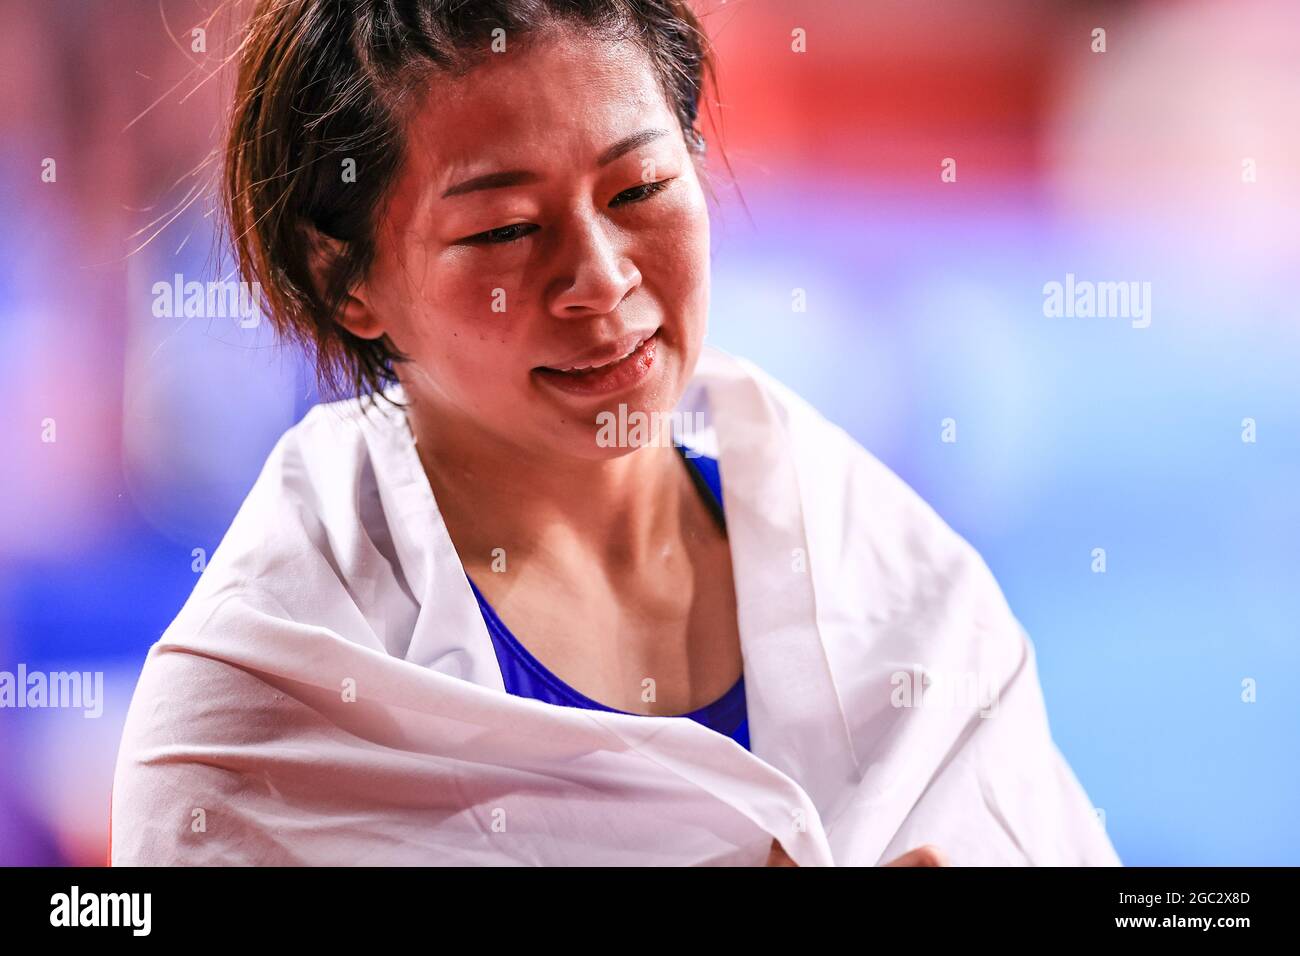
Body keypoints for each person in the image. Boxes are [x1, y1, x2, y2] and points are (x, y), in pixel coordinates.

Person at [109, 0, 1121, 867]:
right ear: (346, 277)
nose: (598, 278)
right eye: (503, 229)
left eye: (639, 190)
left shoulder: (911, 597)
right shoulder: (258, 716)